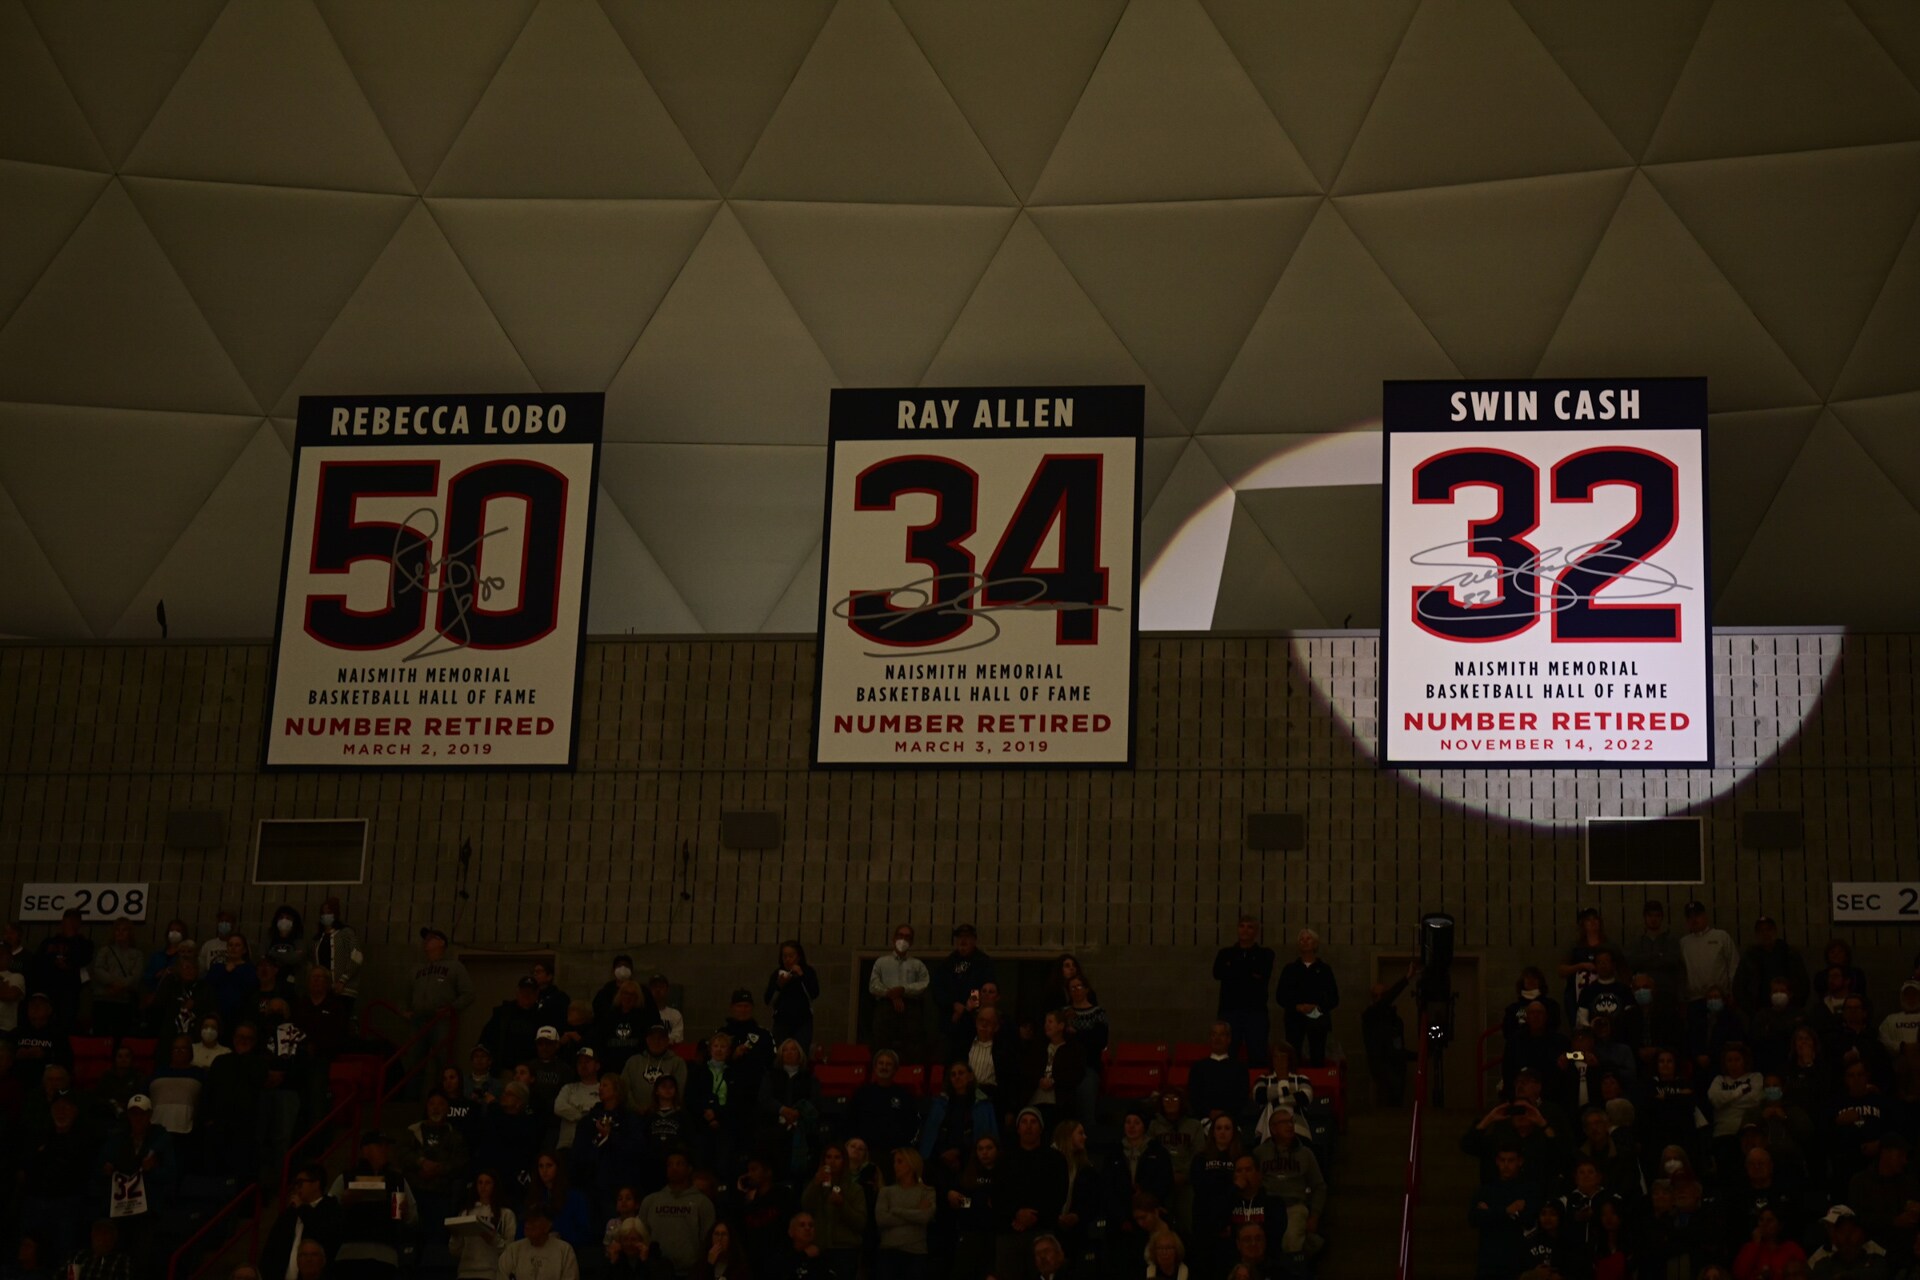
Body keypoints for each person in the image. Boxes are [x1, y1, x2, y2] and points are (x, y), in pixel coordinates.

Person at [327, 1131, 418, 1277]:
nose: (385, 1150)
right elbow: (326, 1212)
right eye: (380, 1145)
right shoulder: (347, 1178)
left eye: (386, 1146)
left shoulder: (396, 1180)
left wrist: (404, 1212)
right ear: (365, 1149)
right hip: (350, 1253)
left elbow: (411, 1217)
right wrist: (344, 1203)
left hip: (386, 1254)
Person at [996, 1109, 1067, 1280]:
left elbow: (1058, 1194)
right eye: (1024, 1122)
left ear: (1041, 1128)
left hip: (1043, 1230)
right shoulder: (1005, 1159)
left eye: (1033, 1122)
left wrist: (1036, 1216)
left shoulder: (1055, 1159)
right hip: (1010, 1231)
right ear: (1018, 1128)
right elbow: (998, 1194)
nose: (1028, 1126)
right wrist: (1016, 1213)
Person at [410, 927, 474, 1090]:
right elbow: (406, 992)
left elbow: (468, 994)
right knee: (415, 1060)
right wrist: (406, 1010)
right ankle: (412, 1098)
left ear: (441, 943)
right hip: (418, 1020)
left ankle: (446, 1094)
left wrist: (451, 1008)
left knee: (443, 1059)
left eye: (431, 939)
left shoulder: (454, 967)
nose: (426, 942)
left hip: (441, 1020)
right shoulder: (417, 969)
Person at [265, 1163, 346, 1280]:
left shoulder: (331, 1209)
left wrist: (303, 1210)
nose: (296, 1188)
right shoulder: (289, 1214)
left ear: (316, 1184)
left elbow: (325, 1235)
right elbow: (272, 1249)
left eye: (300, 1183)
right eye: (295, 1184)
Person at [641, 1150, 716, 1276]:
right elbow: (641, 1236)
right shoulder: (651, 1201)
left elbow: (708, 1240)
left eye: (679, 1164)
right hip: (656, 1272)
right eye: (670, 1164)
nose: (674, 1168)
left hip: (691, 1272)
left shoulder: (702, 1203)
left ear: (689, 1168)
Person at [1470, 1147, 1540, 1280]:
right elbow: (1473, 1218)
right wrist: (1507, 1211)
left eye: (1511, 1160)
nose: (1506, 1165)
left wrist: (1490, 1213)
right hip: (1489, 1261)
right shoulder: (1487, 1190)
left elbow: (1530, 1219)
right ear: (1497, 1161)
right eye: (1502, 1160)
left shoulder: (1529, 1190)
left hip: (1517, 1259)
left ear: (1520, 1161)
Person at [800, 1144, 868, 1280]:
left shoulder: (855, 1189)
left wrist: (842, 1204)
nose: (832, 1161)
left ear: (844, 1161)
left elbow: (861, 1223)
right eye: (828, 1157)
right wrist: (815, 1184)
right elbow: (805, 1207)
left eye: (837, 1157)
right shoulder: (816, 1185)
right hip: (820, 1248)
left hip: (845, 1250)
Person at [1213, 917, 1275, 1065]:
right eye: (1242, 926)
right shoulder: (1225, 953)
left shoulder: (1265, 954)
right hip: (1229, 1010)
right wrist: (1249, 972)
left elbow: (1263, 973)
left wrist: (1232, 968)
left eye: (1250, 927)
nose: (1245, 930)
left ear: (1256, 932)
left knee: (1258, 1054)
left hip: (1256, 1012)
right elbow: (1217, 973)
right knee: (1227, 1055)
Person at [919, 1060, 997, 1174]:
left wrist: (959, 1152)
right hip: (940, 1158)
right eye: (953, 1074)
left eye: (961, 1073)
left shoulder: (983, 1105)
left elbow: (990, 1136)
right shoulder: (939, 1104)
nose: (957, 1077)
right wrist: (943, 1153)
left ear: (970, 1076)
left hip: (973, 1160)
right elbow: (931, 1134)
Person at [759, 1038, 821, 1179]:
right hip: (774, 1128)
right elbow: (764, 1099)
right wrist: (782, 1110)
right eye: (785, 1050)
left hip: (802, 1128)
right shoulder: (770, 1076)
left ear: (800, 1053)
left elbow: (815, 1102)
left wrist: (798, 1113)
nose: (789, 1053)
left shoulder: (810, 1078)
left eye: (793, 1049)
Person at [1275, 929, 1338, 1066]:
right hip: (1294, 1017)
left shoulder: (1324, 969)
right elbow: (1280, 996)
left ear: (1315, 944)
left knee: (1318, 1054)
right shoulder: (1290, 969)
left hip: (1318, 1018)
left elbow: (1334, 998)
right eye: (1301, 939)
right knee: (1293, 1054)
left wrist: (1317, 1008)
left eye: (1308, 939)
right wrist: (1296, 1006)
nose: (1304, 941)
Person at [869, 925, 931, 1061]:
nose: (903, 940)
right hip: (885, 1008)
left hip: (910, 1009)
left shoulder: (917, 965)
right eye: (900, 936)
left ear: (912, 941)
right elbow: (873, 985)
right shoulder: (881, 962)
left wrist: (903, 990)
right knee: (881, 1047)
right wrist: (890, 994)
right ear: (894, 939)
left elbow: (924, 984)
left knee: (912, 1050)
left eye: (907, 937)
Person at [875, 1147, 935, 1279]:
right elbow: (881, 1219)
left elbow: (925, 1217)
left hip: (916, 1253)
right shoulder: (886, 1192)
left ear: (911, 1164)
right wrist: (915, 1213)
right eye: (895, 1162)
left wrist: (897, 1211)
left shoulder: (927, 1191)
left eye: (900, 1161)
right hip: (889, 1251)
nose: (895, 1166)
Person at [1363, 962, 1416, 1106]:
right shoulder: (1370, 1015)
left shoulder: (1395, 1020)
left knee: (1396, 1099)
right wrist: (1406, 978)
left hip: (1396, 1065)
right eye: (1376, 996)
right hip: (1381, 1066)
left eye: (1383, 995)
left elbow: (1398, 1046)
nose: (1380, 998)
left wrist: (1418, 1056)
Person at [447, 1170, 516, 1279]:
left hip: (493, 1273)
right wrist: (455, 1237)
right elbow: (455, 1251)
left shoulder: (506, 1214)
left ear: (495, 1186)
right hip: (466, 1272)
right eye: (480, 1182)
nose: (483, 1186)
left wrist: (493, 1239)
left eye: (487, 1183)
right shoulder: (465, 1213)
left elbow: (511, 1250)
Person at [1022, 1010, 1087, 1120]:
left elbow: (1075, 1073)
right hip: (1036, 1098)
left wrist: (1055, 1081)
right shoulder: (1039, 1048)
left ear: (1061, 1026)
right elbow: (1029, 1069)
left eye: (1050, 1022)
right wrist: (1039, 1080)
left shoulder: (1072, 1050)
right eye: (1045, 1022)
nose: (1046, 1025)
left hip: (1060, 1100)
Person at [935, 924, 998, 1033]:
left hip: (975, 1019)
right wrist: (953, 1004)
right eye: (960, 937)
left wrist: (966, 1008)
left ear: (974, 940)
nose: (963, 940)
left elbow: (987, 987)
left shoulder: (984, 962)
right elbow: (938, 988)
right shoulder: (947, 963)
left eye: (967, 937)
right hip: (950, 1019)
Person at [90, 918, 144, 1038]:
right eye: (117, 930)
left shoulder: (137, 954)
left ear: (130, 933)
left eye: (124, 930)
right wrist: (114, 983)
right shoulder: (105, 951)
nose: (120, 933)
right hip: (104, 998)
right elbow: (98, 969)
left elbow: (136, 975)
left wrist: (121, 985)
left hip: (124, 1001)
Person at [1186, 1022, 1249, 1121]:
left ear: (1229, 1039)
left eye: (1222, 1035)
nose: (1217, 1038)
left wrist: (1225, 1114)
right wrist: (1208, 1112)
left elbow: (1242, 1097)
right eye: (1214, 1035)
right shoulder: (1198, 1067)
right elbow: (1194, 1096)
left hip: (1232, 1121)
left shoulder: (1240, 1068)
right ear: (1210, 1038)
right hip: (1203, 1121)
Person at [765, 941, 821, 1052]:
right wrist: (779, 986)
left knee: (800, 1053)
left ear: (799, 956)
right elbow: (769, 1001)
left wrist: (801, 976)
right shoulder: (777, 974)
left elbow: (813, 994)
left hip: (803, 1022)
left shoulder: (808, 972)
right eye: (784, 956)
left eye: (791, 956)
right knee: (781, 1053)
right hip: (782, 1022)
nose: (787, 959)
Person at [498, 1206, 581, 1280]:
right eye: (527, 1221)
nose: (528, 1226)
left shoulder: (564, 1250)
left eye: (533, 1221)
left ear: (548, 1225)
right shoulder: (513, 1250)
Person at [310, 897, 362, 1013]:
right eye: (323, 913)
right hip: (324, 991)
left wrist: (343, 980)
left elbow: (357, 956)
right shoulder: (318, 939)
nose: (326, 915)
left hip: (345, 990)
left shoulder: (346, 933)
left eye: (329, 912)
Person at [1629, 899, 1687, 1001]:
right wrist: (1658, 955)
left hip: (1667, 993)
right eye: (1650, 915)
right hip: (1643, 995)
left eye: (1657, 916)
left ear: (1662, 918)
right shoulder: (1637, 942)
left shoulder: (1671, 940)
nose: (1653, 919)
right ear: (1645, 918)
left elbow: (1673, 962)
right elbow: (1633, 963)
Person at [1682, 901, 1740, 1002]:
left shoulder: (1721, 937)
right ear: (1687, 920)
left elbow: (1733, 966)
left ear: (1705, 916)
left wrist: (1733, 993)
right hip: (1694, 999)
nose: (1694, 919)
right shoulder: (1683, 943)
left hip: (1720, 997)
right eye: (1690, 917)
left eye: (1697, 915)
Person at [622, 1021, 687, 1111]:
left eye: (661, 1038)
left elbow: (679, 1091)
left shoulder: (677, 1062)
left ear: (667, 1040)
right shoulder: (633, 1062)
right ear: (647, 1040)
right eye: (653, 1038)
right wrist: (636, 1108)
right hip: (636, 1114)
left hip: (667, 1114)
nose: (656, 1041)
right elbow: (624, 1089)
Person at [767, 1212, 832, 1280]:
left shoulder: (821, 1258)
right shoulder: (781, 1256)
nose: (807, 1228)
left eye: (811, 1225)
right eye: (802, 1225)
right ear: (791, 1232)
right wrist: (804, 1255)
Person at [62, 1220, 133, 1280]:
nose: (100, 1237)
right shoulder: (78, 1255)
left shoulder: (121, 1259)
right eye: (98, 1231)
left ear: (114, 1238)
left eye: (106, 1232)